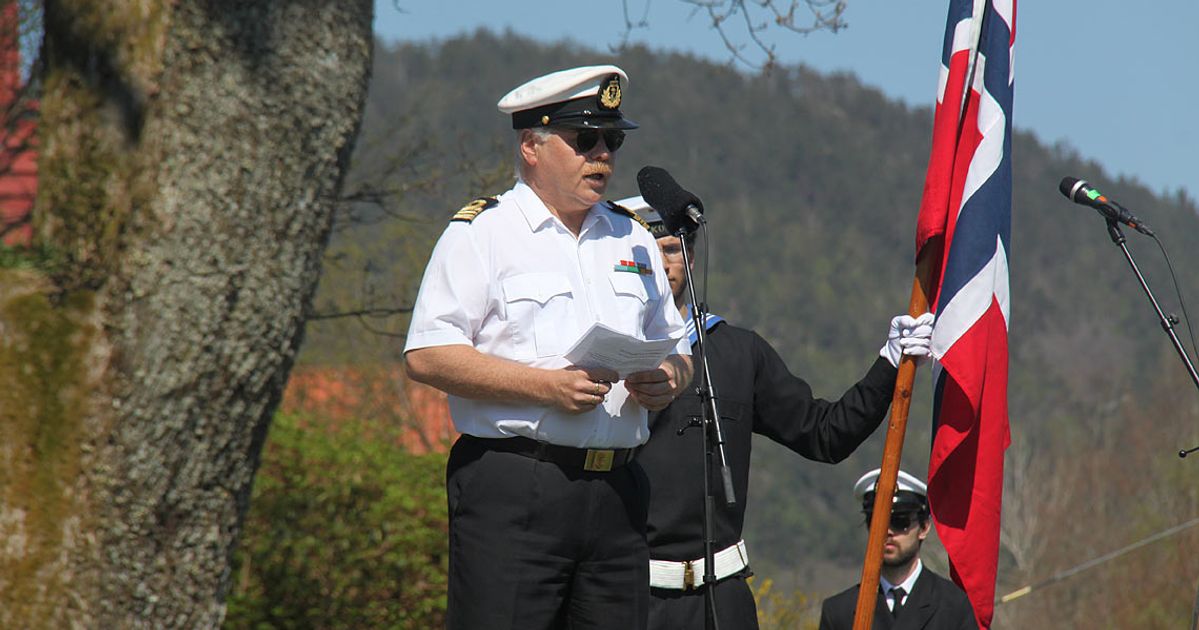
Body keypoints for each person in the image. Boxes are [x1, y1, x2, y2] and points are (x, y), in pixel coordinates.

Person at [403, 66, 693, 630]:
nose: (603, 155)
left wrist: (668, 379)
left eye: (613, 139)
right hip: (516, 485)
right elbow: (428, 354)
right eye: (585, 140)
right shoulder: (482, 232)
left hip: (620, 491)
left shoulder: (632, 235)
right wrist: (546, 387)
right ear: (532, 146)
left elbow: (676, 350)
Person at [619, 195, 937, 630]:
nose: (662, 264)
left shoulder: (739, 352)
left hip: (723, 601)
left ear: (690, 259)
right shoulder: (607, 354)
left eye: (671, 250)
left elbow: (826, 435)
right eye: (647, 255)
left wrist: (888, 361)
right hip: (634, 597)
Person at [818, 469, 978, 630]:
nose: (887, 531)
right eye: (876, 522)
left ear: (924, 528)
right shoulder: (839, 613)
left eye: (900, 521)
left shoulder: (956, 607)